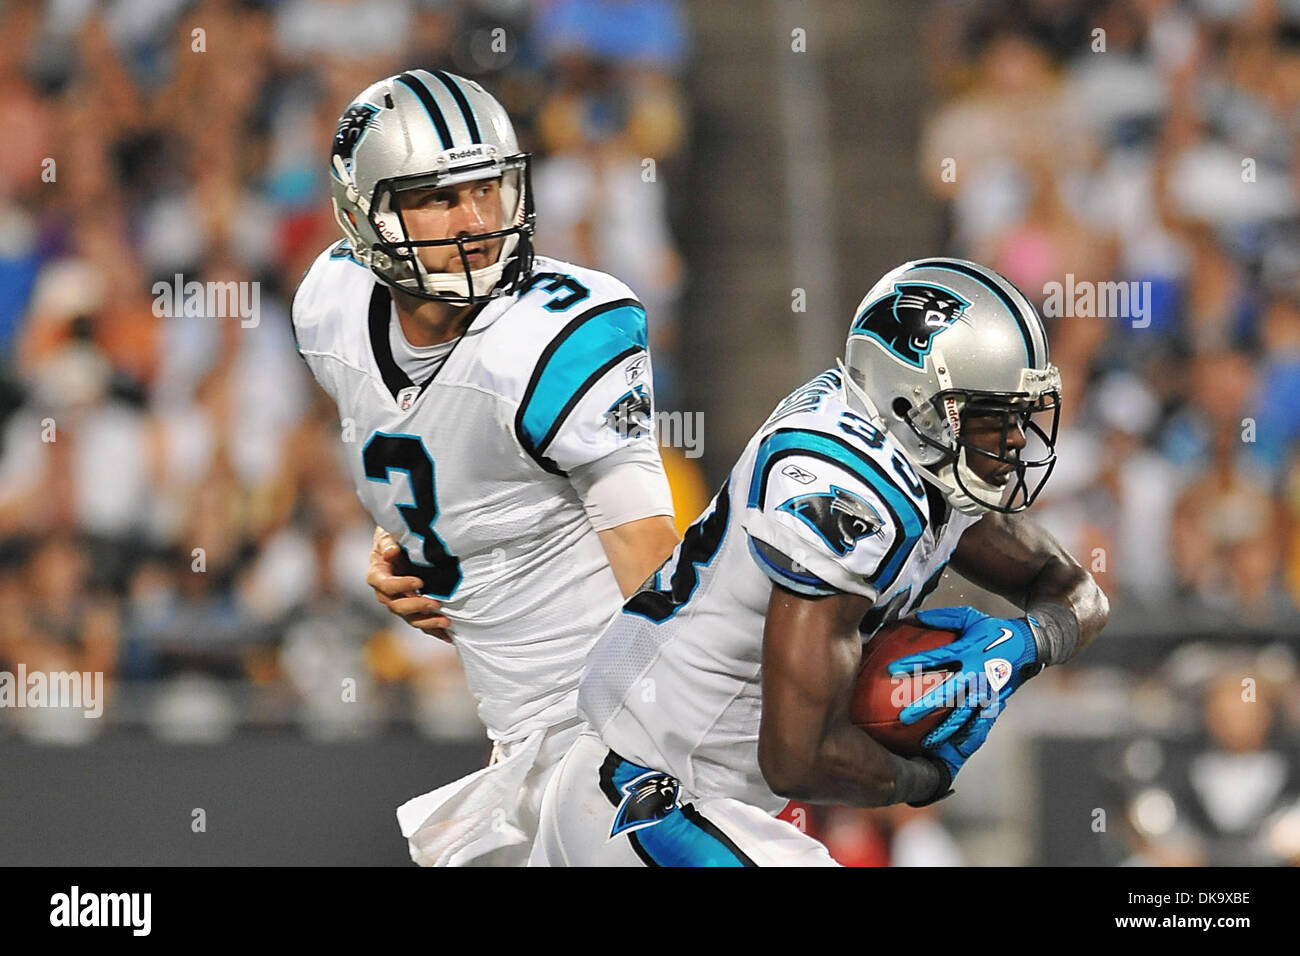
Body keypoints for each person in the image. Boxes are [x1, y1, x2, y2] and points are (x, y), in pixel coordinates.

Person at [529, 258, 1110, 866]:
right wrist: (925, 778)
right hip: (647, 795)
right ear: (914, 403)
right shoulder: (846, 488)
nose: (1016, 440)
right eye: (992, 416)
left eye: (1021, 414)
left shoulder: (922, 457)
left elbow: (1074, 588)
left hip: (703, 801)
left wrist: (1025, 645)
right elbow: (796, 759)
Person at [291, 69, 680, 866]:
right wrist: (398, 529)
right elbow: (416, 431)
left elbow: (654, 568)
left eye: (488, 189)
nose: (474, 221)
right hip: (514, 751)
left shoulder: (559, 337)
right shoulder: (329, 305)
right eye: (437, 197)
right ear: (364, 215)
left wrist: (707, 747)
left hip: (628, 741)